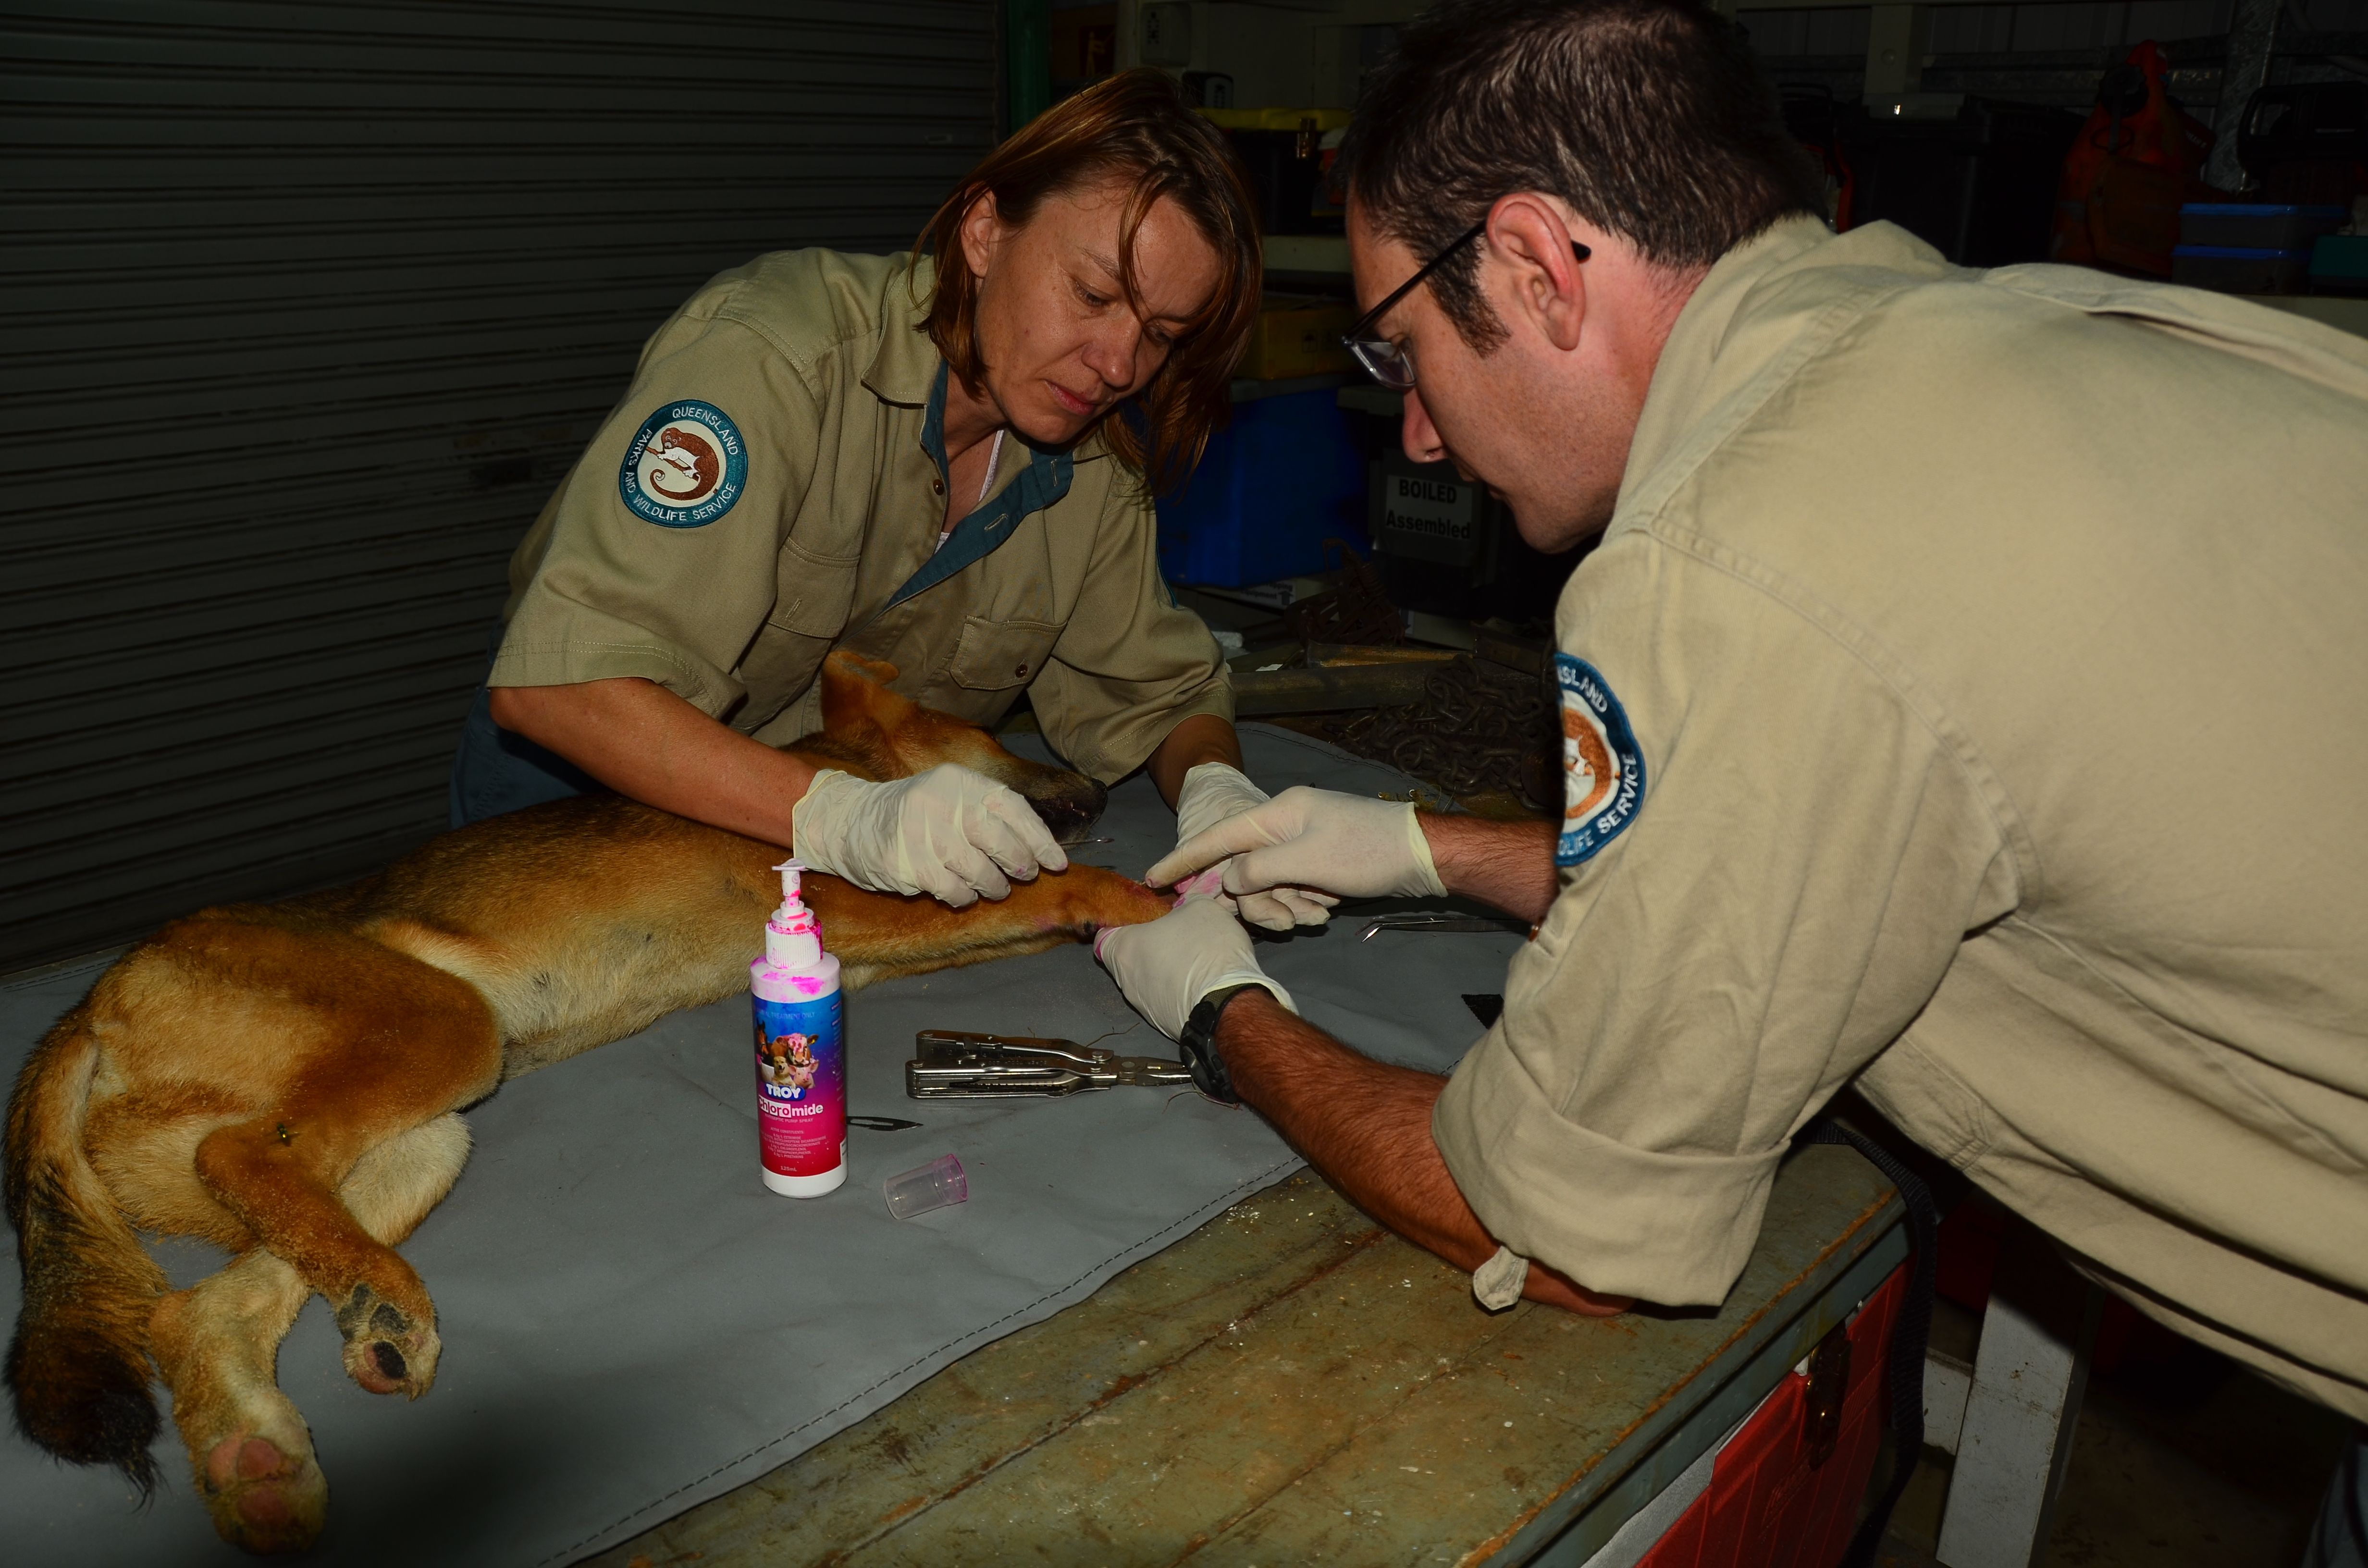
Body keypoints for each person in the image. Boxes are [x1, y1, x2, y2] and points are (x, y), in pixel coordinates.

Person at [1096, 0, 2368, 1505]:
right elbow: (1864, 832)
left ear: (1531, 265)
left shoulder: (1734, 550)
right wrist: (1424, 848)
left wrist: (1221, 1012)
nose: (1419, 435)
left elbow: (1563, 1231)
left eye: (1403, 353)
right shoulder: (1971, 336)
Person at [448, 70, 1307, 915]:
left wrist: (1221, 798)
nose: (1120, 366)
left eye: (1159, 335)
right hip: (578, 805)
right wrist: (844, 816)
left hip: (819, 849)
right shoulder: (774, 359)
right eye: (1092, 295)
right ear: (983, 233)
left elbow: (1160, 695)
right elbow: (562, 691)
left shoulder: (1089, 457)